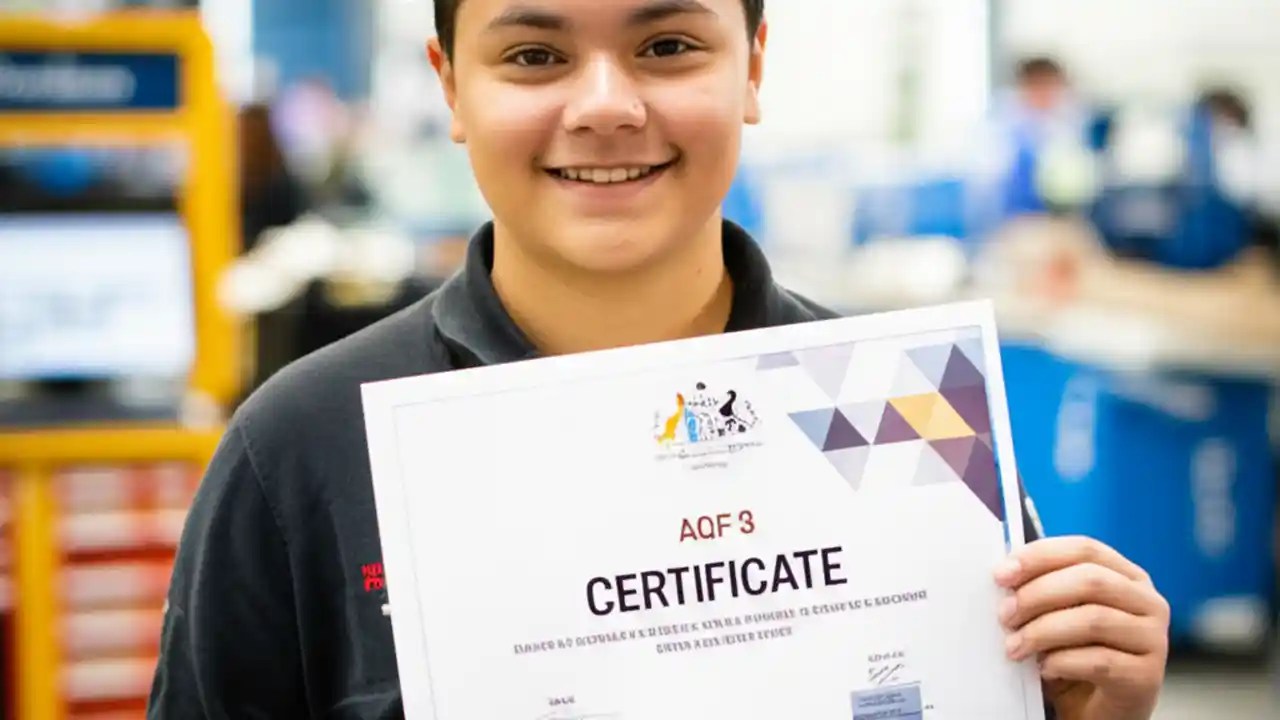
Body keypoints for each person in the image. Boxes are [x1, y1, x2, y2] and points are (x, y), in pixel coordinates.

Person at [147, 2, 1170, 718]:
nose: (604, 104)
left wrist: (1089, 714)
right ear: (449, 84)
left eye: (668, 44)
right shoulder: (299, 454)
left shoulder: (908, 410)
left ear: (753, 68)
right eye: (534, 57)